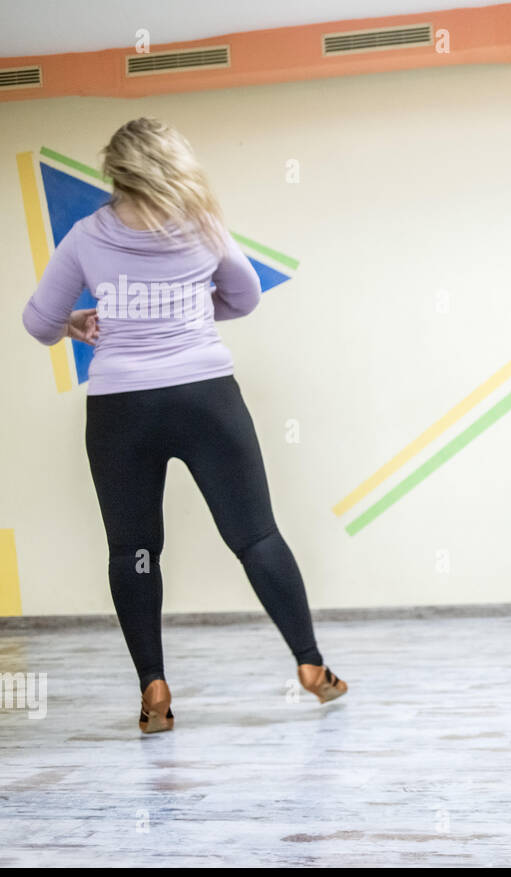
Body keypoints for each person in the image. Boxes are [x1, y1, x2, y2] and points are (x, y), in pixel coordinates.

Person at [21, 117, 347, 734]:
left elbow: (38, 322)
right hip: (207, 399)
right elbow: (246, 298)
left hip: (121, 410)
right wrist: (192, 311)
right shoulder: (202, 227)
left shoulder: (85, 237)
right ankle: (311, 666)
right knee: (255, 537)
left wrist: (74, 324)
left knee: (135, 550)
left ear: (114, 172)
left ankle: (154, 688)